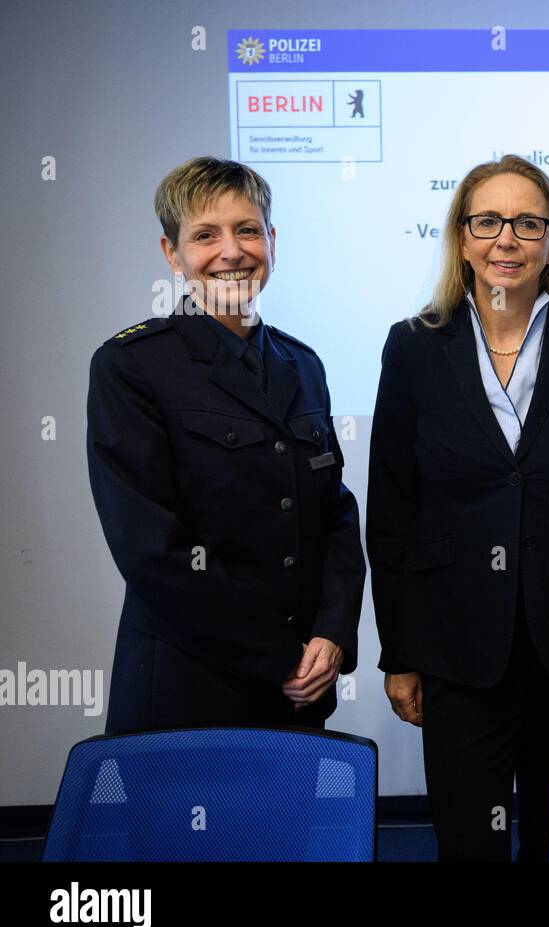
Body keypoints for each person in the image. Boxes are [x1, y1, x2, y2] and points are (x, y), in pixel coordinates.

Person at [368, 154, 549, 862]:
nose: (506, 239)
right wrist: (399, 653)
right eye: (487, 221)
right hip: (457, 649)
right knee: (469, 845)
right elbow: (392, 507)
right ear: (462, 238)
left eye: (527, 223)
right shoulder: (415, 345)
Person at [87, 156, 365, 734]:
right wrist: (278, 655)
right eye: (205, 235)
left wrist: (334, 632)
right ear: (172, 254)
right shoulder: (131, 367)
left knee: (289, 830)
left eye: (247, 230)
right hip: (189, 689)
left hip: (300, 694)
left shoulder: (302, 364)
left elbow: (334, 514)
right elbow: (152, 550)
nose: (232, 252)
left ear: (271, 239)